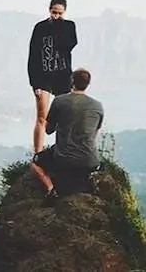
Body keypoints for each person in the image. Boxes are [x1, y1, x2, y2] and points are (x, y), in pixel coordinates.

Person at [30, 68, 104, 203]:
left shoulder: (59, 101)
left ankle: (51, 189)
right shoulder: (98, 106)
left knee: (36, 164)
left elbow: (48, 129)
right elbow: (94, 134)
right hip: (90, 160)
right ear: (88, 84)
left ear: (72, 81)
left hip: (63, 159)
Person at [27, 0, 78, 154]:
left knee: (64, 118)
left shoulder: (69, 26)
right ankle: (38, 153)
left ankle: (62, 150)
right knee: (42, 117)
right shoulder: (40, 28)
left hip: (62, 76)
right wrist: (34, 82)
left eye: (59, 13)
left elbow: (70, 45)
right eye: (53, 12)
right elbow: (33, 55)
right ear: (49, 10)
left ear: (65, 13)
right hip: (43, 78)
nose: (56, 16)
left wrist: (59, 27)